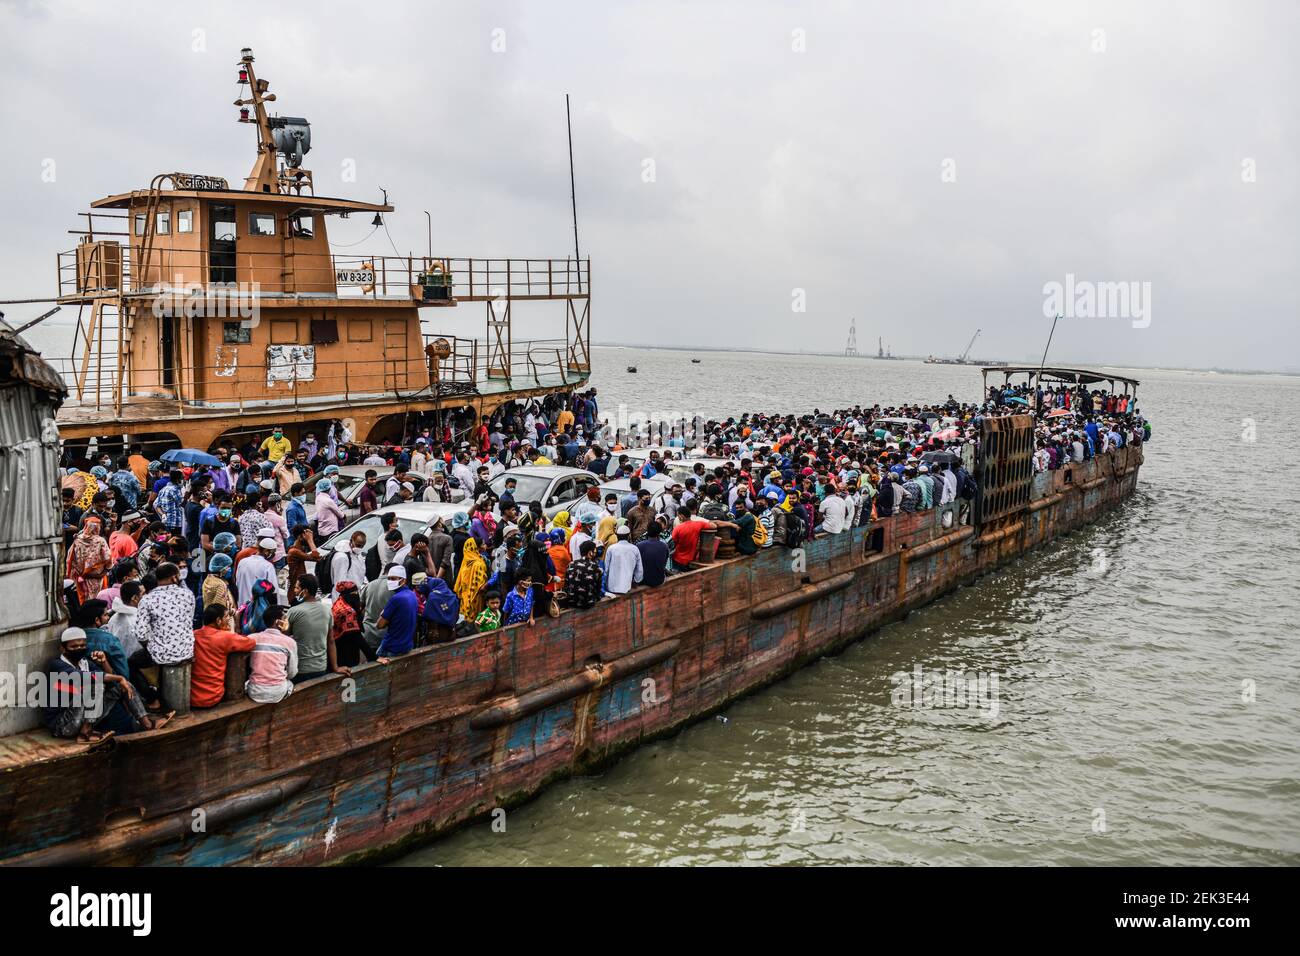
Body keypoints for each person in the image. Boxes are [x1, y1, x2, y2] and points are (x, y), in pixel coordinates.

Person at [44, 627, 172, 740]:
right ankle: (85, 733)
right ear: (63, 648)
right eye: (74, 647)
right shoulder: (57, 665)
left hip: (81, 718)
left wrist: (104, 662)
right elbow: (85, 677)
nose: (79, 649)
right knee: (96, 686)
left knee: (121, 686)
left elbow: (109, 680)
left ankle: (147, 724)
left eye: (82, 646)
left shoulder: (84, 662)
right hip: (62, 725)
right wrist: (118, 678)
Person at [191, 603, 256, 709]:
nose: (228, 619)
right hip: (213, 696)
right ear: (218, 621)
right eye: (226, 617)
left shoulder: (194, 634)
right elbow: (251, 643)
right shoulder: (225, 637)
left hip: (192, 697)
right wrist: (226, 630)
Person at [286, 574, 336, 682]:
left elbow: (283, 638)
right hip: (321, 667)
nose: (294, 590)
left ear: (305, 591)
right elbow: (331, 641)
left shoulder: (293, 611)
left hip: (300, 668)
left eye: (297, 588)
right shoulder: (327, 610)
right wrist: (335, 667)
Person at [245, 604, 297, 703]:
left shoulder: (252, 638)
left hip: (254, 691)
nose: (286, 621)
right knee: (290, 683)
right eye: (284, 618)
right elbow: (292, 673)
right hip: (278, 693)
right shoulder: (290, 642)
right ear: (278, 622)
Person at [376, 566, 419, 660]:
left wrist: (383, 613)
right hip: (406, 645)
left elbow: (379, 625)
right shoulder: (412, 595)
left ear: (403, 581)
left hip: (391, 647)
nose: (390, 581)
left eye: (393, 579)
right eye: (388, 579)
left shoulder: (396, 599)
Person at [67, 516, 112, 605]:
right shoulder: (100, 541)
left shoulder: (77, 540)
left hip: (81, 577)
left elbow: (70, 558)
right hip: (97, 576)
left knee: (84, 599)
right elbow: (108, 558)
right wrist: (104, 572)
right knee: (97, 599)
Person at [330, 580, 372, 670]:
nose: (357, 595)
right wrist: (374, 657)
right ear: (348, 594)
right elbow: (357, 637)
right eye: (354, 593)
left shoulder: (339, 602)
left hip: (337, 650)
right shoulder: (347, 612)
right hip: (346, 654)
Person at [235, 536, 278, 607]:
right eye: (272, 552)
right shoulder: (267, 566)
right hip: (257, 608)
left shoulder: (242, 562)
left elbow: (237, 582)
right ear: (266, 551)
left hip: (241, 606)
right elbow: (273, 590)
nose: (273, 555)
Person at [559, 540, 602, 609]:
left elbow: (566, 585)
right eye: (594, 552)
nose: (595, 553)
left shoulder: (571, 564)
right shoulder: (596, 568)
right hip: (588, 603)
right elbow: (598, 589)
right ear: (590, 553)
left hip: (571, 602)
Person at [454, 538, 489, 623]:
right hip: (475, 599)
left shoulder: (466, 562)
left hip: (465, 599)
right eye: (483, 544)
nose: (485, 546)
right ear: (477, 548)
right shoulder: (479, 564)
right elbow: (480, 586)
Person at [603, 525, 643, 595]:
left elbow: (606, 569)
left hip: (611, 588)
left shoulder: (611, 548)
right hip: (627, 587)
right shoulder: (634, 549)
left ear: (617, 536)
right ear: (628, 536)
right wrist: (636, 581)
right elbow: (639, 571)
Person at [331, 530, 369, 598]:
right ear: (351, 541)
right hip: (344, 598)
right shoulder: (342, 557)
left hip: (354, 595)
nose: (359, 548)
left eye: (362, 546)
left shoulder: (358, 555)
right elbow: (339, 583)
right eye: (358, 545)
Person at [636, 518, 670, 587]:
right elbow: (664, 563)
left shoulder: (639, 545)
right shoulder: (664, 546)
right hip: (659, 580)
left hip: (643, 580)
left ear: (647, 531)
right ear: (659, 532)